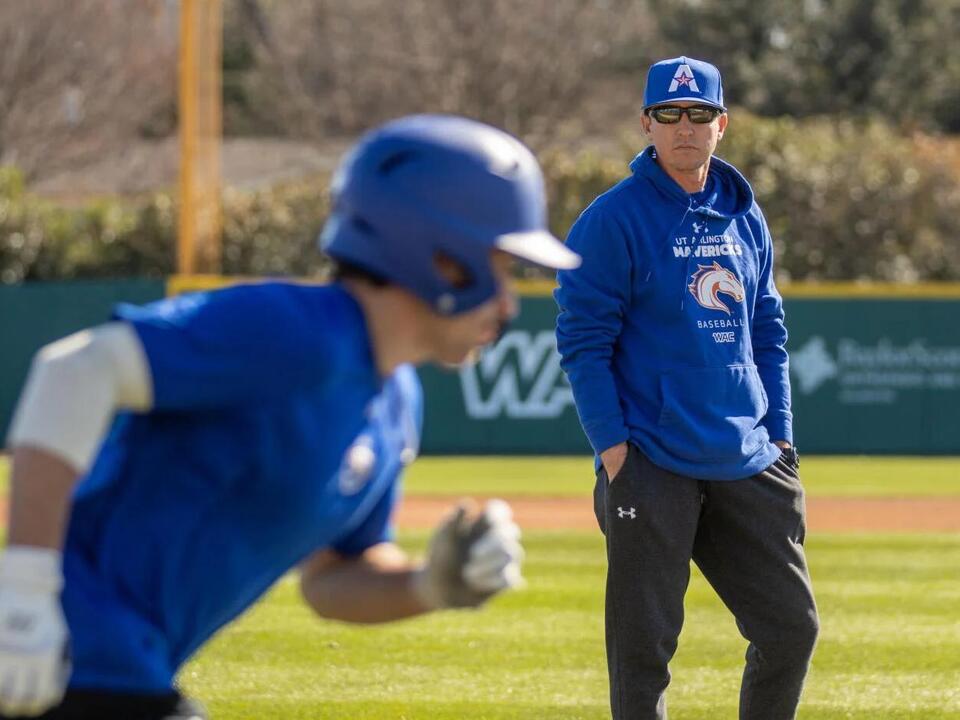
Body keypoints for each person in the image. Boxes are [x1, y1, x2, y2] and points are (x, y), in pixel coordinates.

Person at [0, 114, 581, 719]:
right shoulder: (296, 330)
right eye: (503, 267)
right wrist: (23, 597)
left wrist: (429, 584)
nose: (510, 302)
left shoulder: (394, 402)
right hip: (53, 654)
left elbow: (331, 579)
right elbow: (74, 372)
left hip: (113, 671)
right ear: (443, 260)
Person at [554, 57, 819, 719]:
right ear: (646, 123)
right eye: (668, 115)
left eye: (699, 114)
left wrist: (780, 432)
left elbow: (768, 326)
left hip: (747, 458)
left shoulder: (743, 214)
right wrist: (616, 452)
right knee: (644, 658)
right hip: (651, 460)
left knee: (791, 628)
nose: (684, 127)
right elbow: (583, 342)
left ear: (721, 124)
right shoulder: (613, 219)